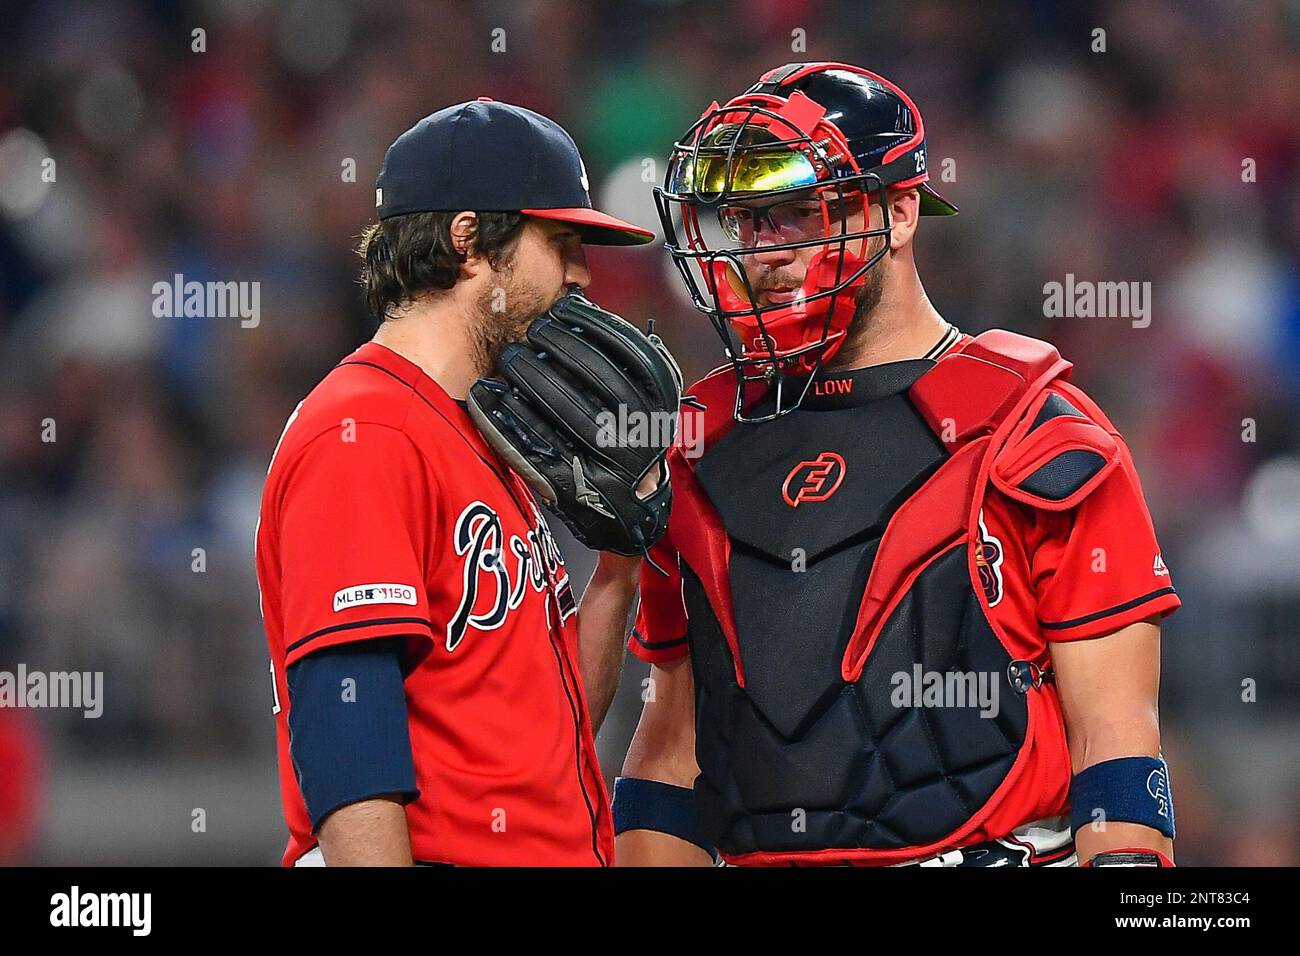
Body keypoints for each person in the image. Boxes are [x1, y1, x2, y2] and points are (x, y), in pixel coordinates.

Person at [614, 62, 1181, 867]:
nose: (762, 251)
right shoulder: (696, 449)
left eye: (793, 214)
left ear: (901, 210)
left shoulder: (1031, 428)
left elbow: (1116, 743)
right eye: (744, 222)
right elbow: (670, 755)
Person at [255, 98, 661, 866]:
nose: (581, 274)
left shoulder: (480, 433)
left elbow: (550, 729)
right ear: (470, 239)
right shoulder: (366, 429)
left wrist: (619, 564)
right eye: (561, 241)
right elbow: (346, 729)